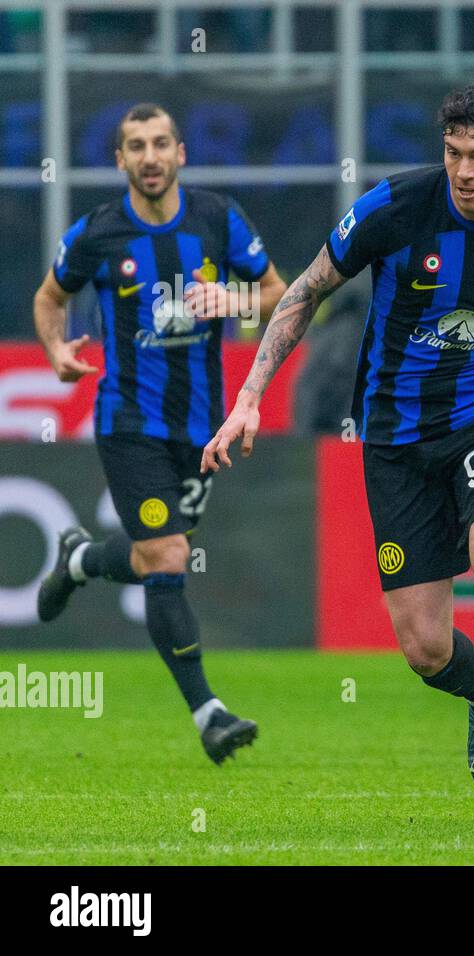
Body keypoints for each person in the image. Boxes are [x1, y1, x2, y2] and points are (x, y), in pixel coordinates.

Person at [201, 83, 474, 828]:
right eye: (452, 154)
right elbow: (305, 290)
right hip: (396, 440)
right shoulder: (396, 208)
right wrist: (248, 396)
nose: (464, 172)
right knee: (425, 648)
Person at [33, 102, 288, 764]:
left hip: (204, 429)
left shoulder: (216, 220)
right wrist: (58, 352)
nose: (149, 156)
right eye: (135, 145)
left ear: (180, 153)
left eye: (160, 143)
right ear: (119, 159)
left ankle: (83, 559)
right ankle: (210, 714)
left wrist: (235, 301)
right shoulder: (98, 233)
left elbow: (279, 293)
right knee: (169, 558)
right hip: (129, 425)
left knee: (152, 557)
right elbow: (48, 297)